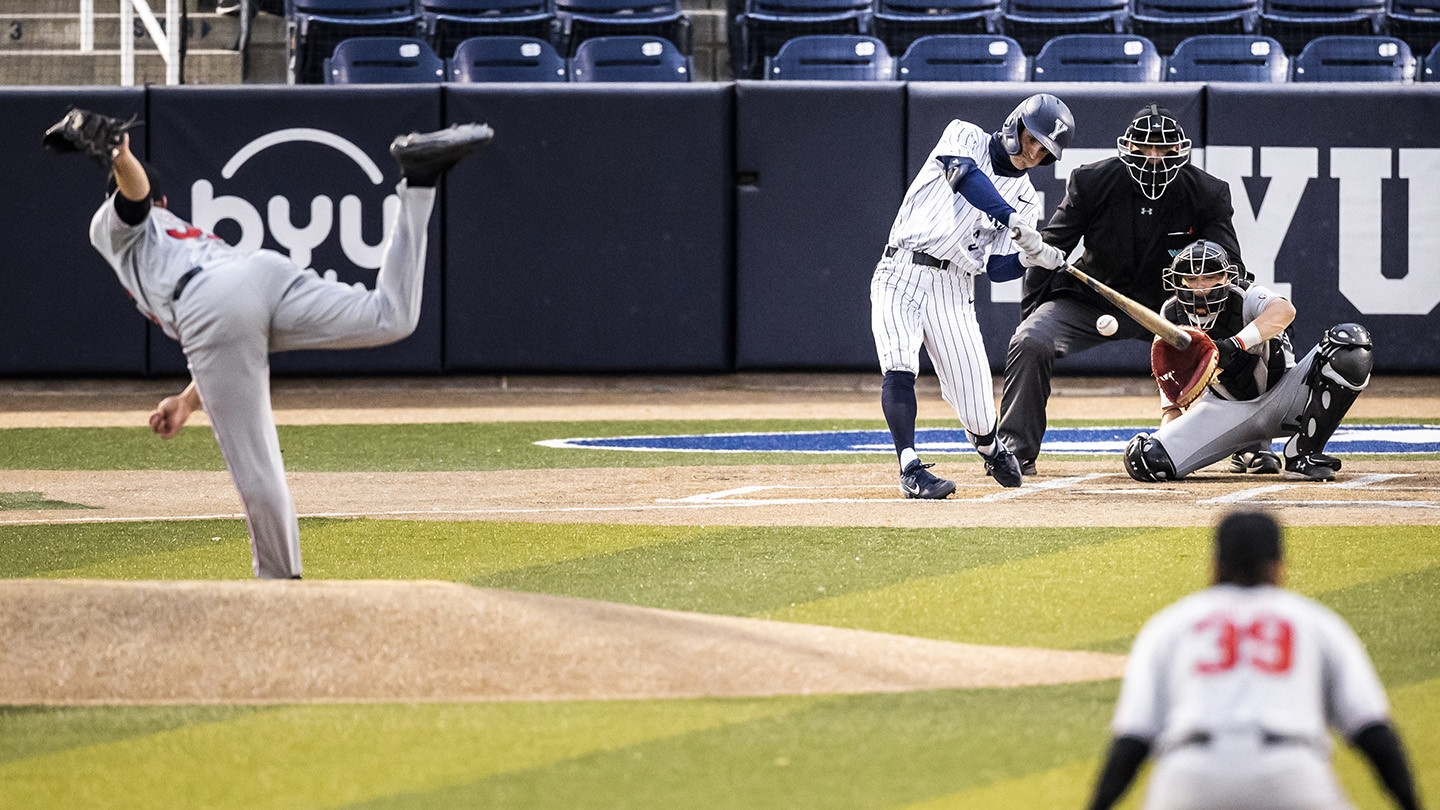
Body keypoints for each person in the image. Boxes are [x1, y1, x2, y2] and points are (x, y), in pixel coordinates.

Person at [46, 108, 493, 579]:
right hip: (256, 276)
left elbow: (133, 198)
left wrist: (119, 153)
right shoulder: (181, 231)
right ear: (169, 198)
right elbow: (230, 329)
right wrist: (187, 401)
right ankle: (419, 183)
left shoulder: (113, 226)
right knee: (391, 316)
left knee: (257, 467)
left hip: (210, 302)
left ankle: (280, 584)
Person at [1087, 510, 1423, 810]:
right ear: (1279, 567)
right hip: (1290, 773)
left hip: (1191, 775)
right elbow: (1373, 733)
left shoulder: (1172, 624)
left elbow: (1132, 742)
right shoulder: (1314, 622)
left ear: (1215, 565)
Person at [1000, 104, 1246, 476]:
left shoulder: (1207, 192)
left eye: (1164, 151)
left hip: (1172, 308)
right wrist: (1032, 312)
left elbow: (1229, 265)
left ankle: (1250, 444)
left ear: (1181, 152)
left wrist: (1218, 321)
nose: (1154, 160)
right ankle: (1016, 452)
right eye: (1146, 149)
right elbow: (1048, 252)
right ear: (1126, 148)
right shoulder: (1091, 181)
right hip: (1093, 298)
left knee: (1237, 337)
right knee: (1031, 340)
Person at [870, 93, 1075, 498]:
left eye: (1044, 149)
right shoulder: (964, 134)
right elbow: (964, 176)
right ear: (1015, 125)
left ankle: (988, 445)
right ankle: (910, 467)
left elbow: (996, 269)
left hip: (954, 286)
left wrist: (1032, 259)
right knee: (899, 364)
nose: (1034, 152)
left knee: (979, 407)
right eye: (1031, 138)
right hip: (900, 268)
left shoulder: (1028, 198)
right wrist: (1011, 219)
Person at [1124, 239, 1371, 483]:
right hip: (1226, 409)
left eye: (1210, 277)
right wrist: (1172, 443)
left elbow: (1285, 311)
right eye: (1191, 279)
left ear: (1226, 278)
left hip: (1285, 394)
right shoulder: (1170, 317)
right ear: (1179, 281)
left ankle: (1303, 453)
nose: (1200, 287)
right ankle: (1249, 447)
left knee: (1350, 342)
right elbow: (1172, 405)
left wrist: (1236, 343)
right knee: (1145, 459)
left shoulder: (1247, 296)